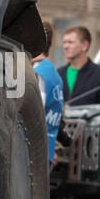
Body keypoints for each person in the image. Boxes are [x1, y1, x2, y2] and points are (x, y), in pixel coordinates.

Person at [32, 20, 63, 166]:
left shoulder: (38, 74)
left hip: (34, 153)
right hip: (46, 152)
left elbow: (34, 115)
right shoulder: (52, 73)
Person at [59, 25, 100, 106]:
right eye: (64, 42)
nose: (65, 46)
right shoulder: (59, 73)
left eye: (70, 42)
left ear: (84, 45)